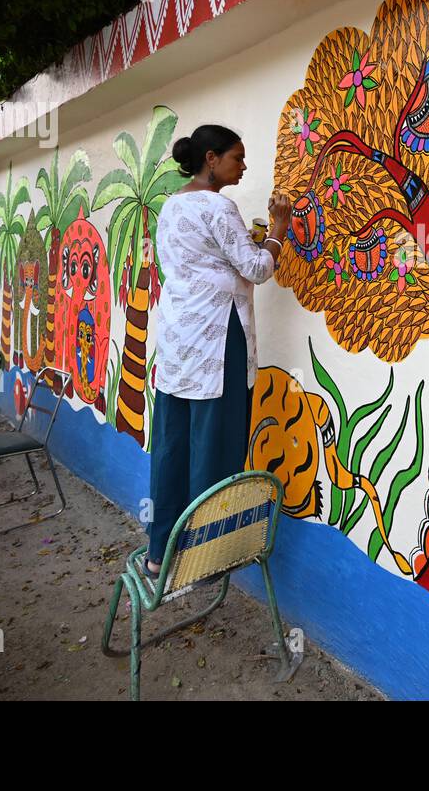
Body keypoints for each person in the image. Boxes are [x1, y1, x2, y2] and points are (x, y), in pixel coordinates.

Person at [144, 124, 291, 576]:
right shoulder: (218, 205)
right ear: (211, 159)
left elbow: (202, 259)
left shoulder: (170, 206)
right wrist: (278, 230)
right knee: (216, 445)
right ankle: (201, 558)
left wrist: (246, 243)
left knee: (173, 443)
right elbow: (257, 268)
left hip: (177, 337)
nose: (243, 166)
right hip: (215, 338)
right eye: (237, 157)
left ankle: (160, 553)